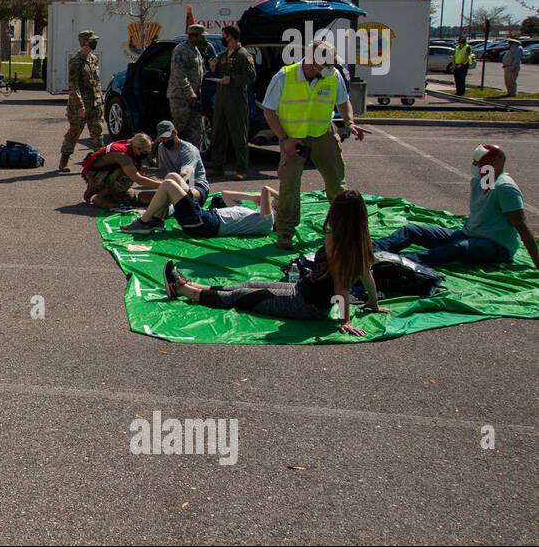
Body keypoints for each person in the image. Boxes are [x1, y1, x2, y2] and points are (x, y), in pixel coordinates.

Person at [163, 190, 389, 337]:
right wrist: (373, 302)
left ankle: (182, 289)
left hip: (307, 304)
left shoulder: (335, 240)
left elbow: (341, 286)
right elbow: (366, 274)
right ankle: (192, 284)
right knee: (246, 285)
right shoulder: (362, 240)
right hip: (302, 290)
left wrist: (345, 320)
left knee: (242, 296)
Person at [262, 40, 367, 249]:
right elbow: (269, 110)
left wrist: (350, 122)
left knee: (337, 183)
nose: (331, 69)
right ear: (311, 61)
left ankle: (343, 229)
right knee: (289, 187)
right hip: (293, 138)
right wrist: (284, 139)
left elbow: (343, 101)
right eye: (326, 64)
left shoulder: (332, 76)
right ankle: (285, 233)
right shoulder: (284, 76)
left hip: (323, 134)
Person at [374, 144, 539, 268]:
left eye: (478, 162)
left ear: (492, 164)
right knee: (411, 230)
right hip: (468, 235)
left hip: (496, 246)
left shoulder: (505, 188)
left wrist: (537, 261)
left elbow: (521, 225)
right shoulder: (479, 181)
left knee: (456, 248)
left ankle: (397, 263)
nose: (474, 165)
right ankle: (369, 251)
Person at [123, 174, 277, 237]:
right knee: (173, 177)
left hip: (204, 223)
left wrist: (282, 198)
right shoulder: (254, 215)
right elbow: (225, 194)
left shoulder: (267, 222)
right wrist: (251, 197)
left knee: (168, 184)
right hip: (203, 217)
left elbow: (266, 190)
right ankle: (156, 220)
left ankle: (144, 222)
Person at [208, 24, 256, 179]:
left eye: (224, 35)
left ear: (231, 36)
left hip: (236, 101)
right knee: (218, 134)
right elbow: (217, 72)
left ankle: (242, 169)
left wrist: (232, 79)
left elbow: (251, 76)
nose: (223, 38)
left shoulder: (243, 55)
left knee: (238, 135)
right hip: (221, 99)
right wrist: (213, 67)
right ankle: (217, 167)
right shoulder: (223, 55)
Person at [59, 29, 105, 172]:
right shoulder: (76, 61)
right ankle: (64, 160)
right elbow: (74, 86)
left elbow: (96, 82)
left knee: (98, 133)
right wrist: (80, 106)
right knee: (74, 132)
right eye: (92, 40)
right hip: (81, 106)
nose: (94, 42)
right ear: (84, 42)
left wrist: (101, 99)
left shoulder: (93, 58)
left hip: (95, 104)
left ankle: (102, 163)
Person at [80, 133, 162, 209]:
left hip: (99, 172)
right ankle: (100, 198)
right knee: (127, 177)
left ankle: (94, 188)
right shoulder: (124, 156)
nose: (146, 154)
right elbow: (138, 178)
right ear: (137, 148)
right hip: (95, 175)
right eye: (144, 152)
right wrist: (161, 185)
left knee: (129, 199)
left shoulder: (131, 144)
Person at [149, 120, 208, 205]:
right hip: (173, 186)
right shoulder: (161, 147)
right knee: (143, 197)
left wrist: (169, 186)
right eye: (162, 138)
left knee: (177, 185)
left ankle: (183, 200)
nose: (165, 141)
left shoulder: (188, 150)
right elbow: (162, 172)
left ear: (175, 133)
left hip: (194, 185)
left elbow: (187, 175)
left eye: (167, 137)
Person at [166, 24, 208, 145]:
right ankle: (158, 151)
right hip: (180, 97)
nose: (203, 39)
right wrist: (189, 92)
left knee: (194, 130)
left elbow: (199, 71)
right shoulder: (181, 50)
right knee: (177, 127)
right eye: (201, 36)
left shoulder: (196, 50)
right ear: (194, 36)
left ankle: (191, 157)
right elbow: (179, 73)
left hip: (194, 98)